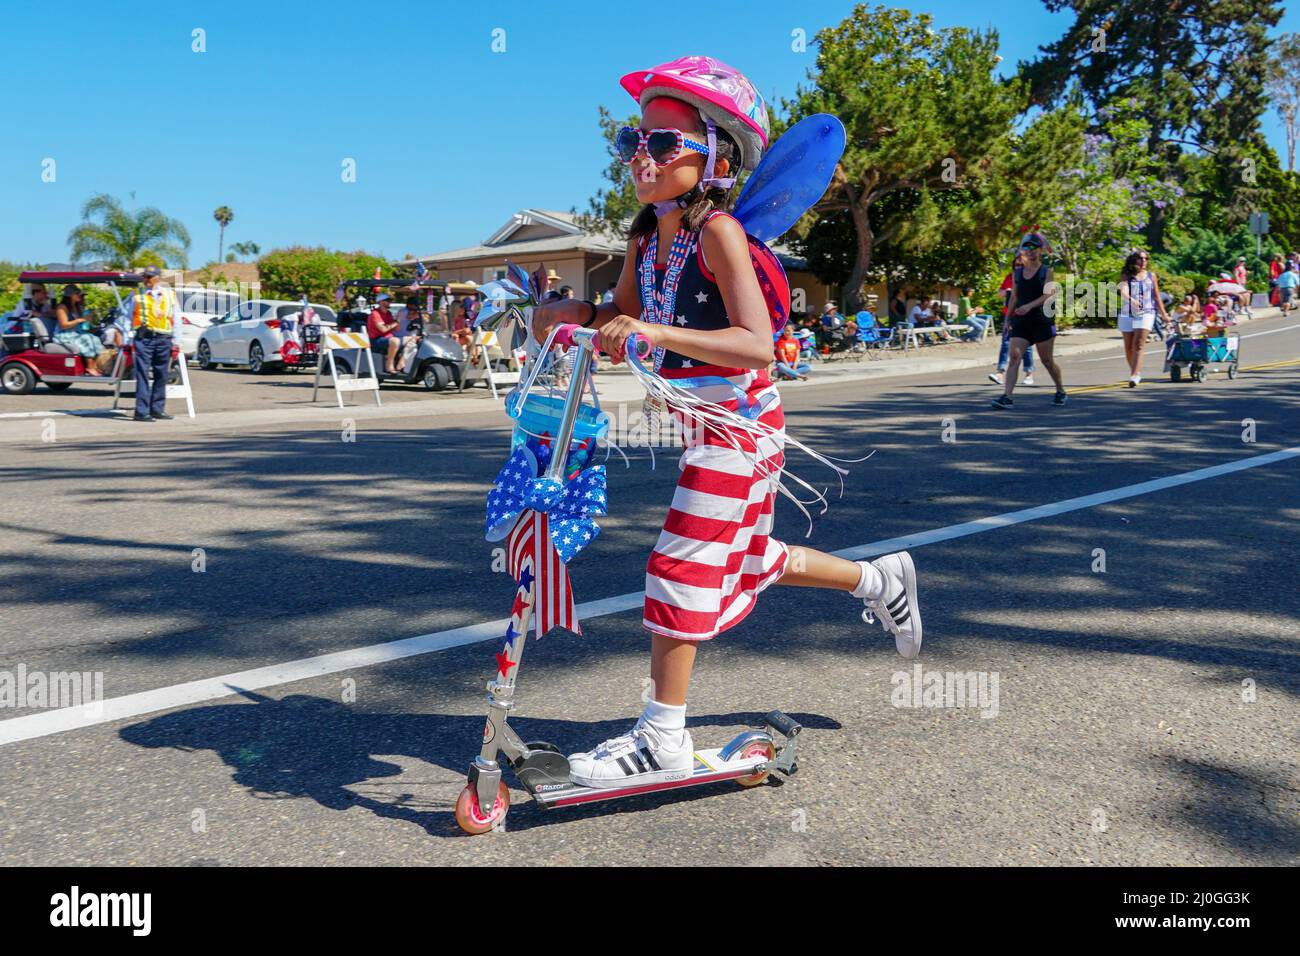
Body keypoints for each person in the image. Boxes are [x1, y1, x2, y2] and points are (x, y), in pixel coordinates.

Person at [530, 54, 922, 789]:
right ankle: (878, 581)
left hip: (742, 429)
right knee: (747, 558)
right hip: (702, 426)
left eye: (661, 144)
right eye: (630, 141)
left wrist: (656, 337)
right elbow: (626, 317)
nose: (639, 158)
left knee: (679, 566)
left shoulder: (720, 236)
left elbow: (754, 346)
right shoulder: (647, 234)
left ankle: (662, 737)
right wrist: (577, 315)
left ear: (715, 156)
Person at [992, 232, 1065, 408]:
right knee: (1015, 356)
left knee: (1047, 360)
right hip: (1021, 321)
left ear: (1040, 251)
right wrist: (1008, 320)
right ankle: (1007, 397)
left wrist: (1030, 306)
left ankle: (1060, 390)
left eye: (1034, 248)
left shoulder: (1046, 272)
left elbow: (1049, 294)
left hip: (1042, 320)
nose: (1030, 251)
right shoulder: (1016, 273)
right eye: (1027, 247)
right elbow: (1014, 297)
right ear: (1022, 251)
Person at [121, 266, 178, 421]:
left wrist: (176, 341)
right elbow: (126, 317)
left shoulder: (169, 295)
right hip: (144, 339)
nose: (145, 280)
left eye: (149, 277)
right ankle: (141, 411)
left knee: (162, 374)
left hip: (164, 338)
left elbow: (175, 318)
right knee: (142, 374)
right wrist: (129, 338)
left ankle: (157, 409)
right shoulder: (137, 295)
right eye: (145, 277)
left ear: (157, 278)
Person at [1116, 249, 1171, 387]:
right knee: (1128, 347)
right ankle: (1135, 372)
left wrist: (1164, 314)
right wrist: (1131, 300)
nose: (1144, 261)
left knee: (1138, 344)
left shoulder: (1151, 276)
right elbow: (1123, 291)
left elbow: (1156, 296)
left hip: (1146, 312)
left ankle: (1134, 374)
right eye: (1141, 258)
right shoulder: (1126, 275)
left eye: (1146, 258)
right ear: (1134, 260)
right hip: (1127, 312)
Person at [989, 251, 1035, 386]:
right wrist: (1007, 291)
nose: (1018, 266)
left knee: (1026, 346)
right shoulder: (1010, 277)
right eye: (1016, 264)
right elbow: (999, 294)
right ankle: (1000, 373)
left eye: (1021, 264)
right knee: (1005, 344)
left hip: (1024, 315)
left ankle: (1029, 373)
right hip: (1008, 315)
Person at [52, 285, 106, 375]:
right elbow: (63, 325)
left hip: (75, 333)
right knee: (86, 338)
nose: (80, 296)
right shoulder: (62, 307)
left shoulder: (77, 307)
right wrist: (80, 320)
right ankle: (89, 367)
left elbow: (82, 324)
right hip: (63, 334)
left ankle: (96, 365)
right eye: (77, 293)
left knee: (94, 338)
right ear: (70, 295)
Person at [366, 293, 403, 373]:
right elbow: (383, 329)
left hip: (387, 338)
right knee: (395, 341)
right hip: (376, 339)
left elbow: (396, 329)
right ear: (381, 302)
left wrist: (398, 319)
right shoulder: (375, 314)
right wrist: (396, 322)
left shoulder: (388, 313)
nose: (390, 302)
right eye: (388, 301)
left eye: (390, 300)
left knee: (412, 339)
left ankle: (401, 365)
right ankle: (389, 365)